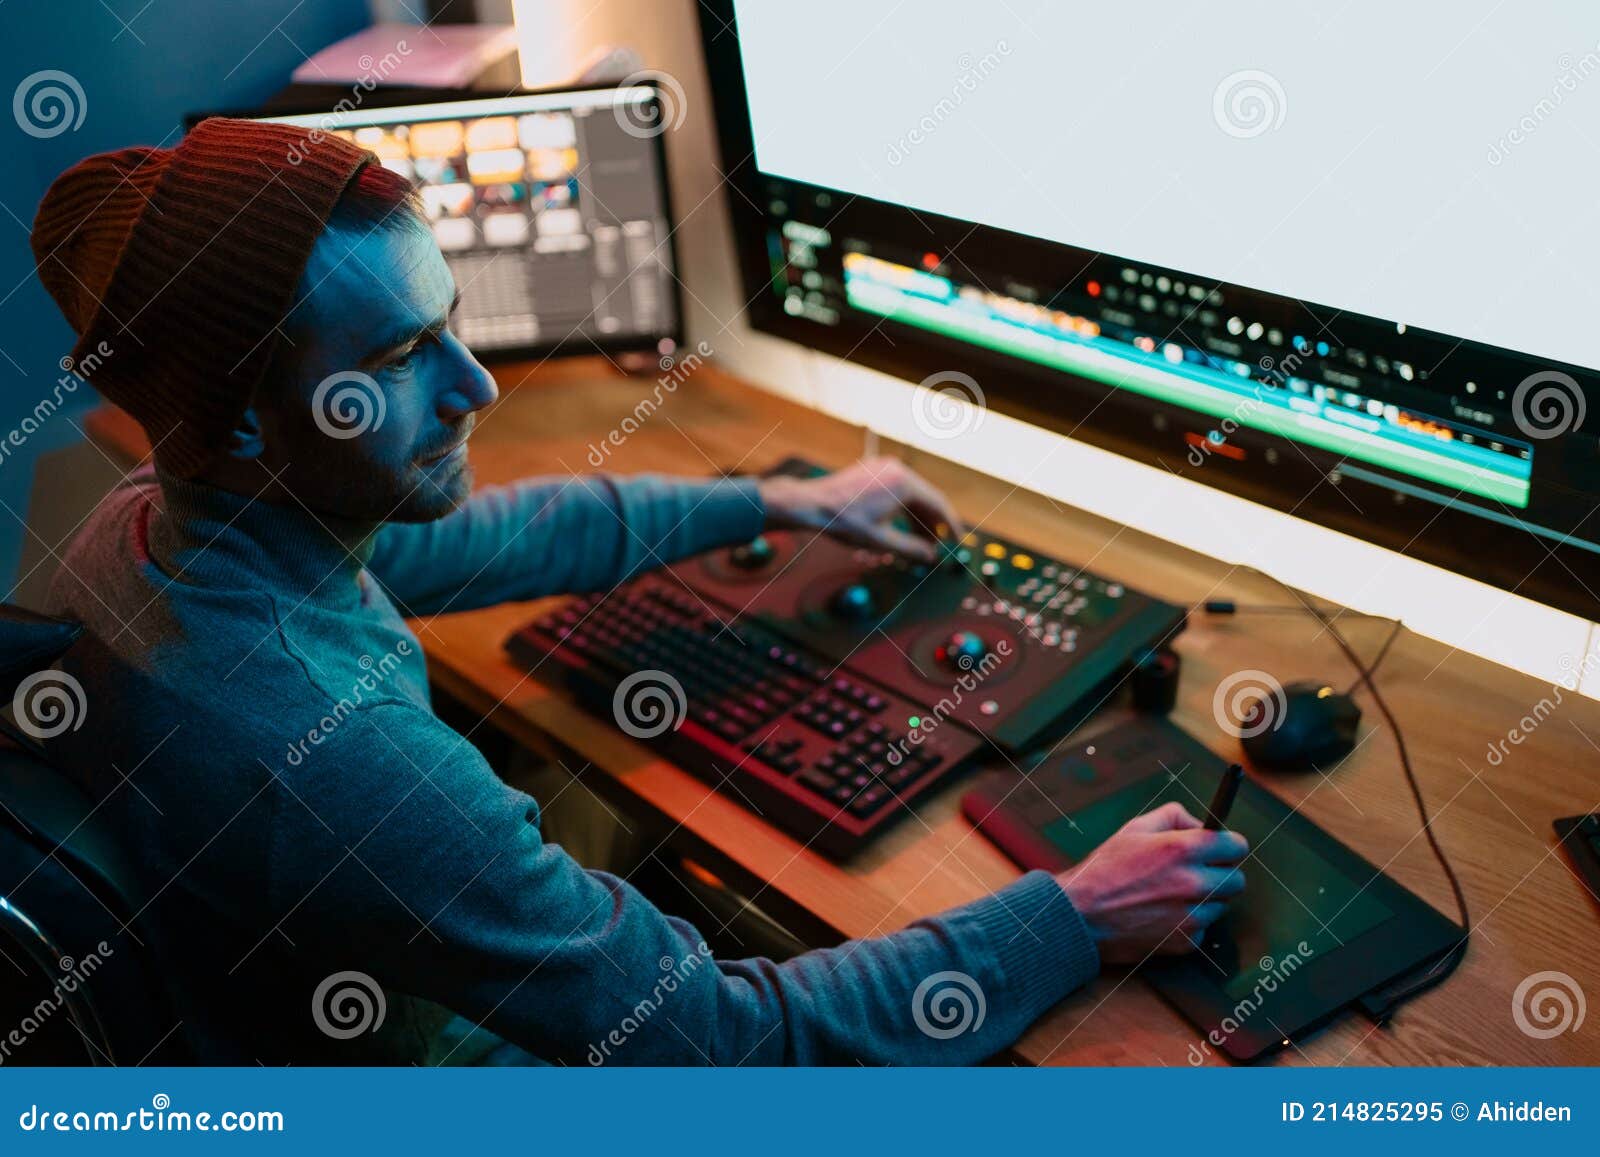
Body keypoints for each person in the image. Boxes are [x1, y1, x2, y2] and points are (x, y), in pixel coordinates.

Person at [28, 119, 1247, 1065]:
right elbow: (719, 1042)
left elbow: (487, 541)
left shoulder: (166, 514)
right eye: (401, 358)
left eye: (451, 325)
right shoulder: (331, 760)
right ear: (243, 419)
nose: (475, 389)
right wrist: (1074, 916)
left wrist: (772, 504)